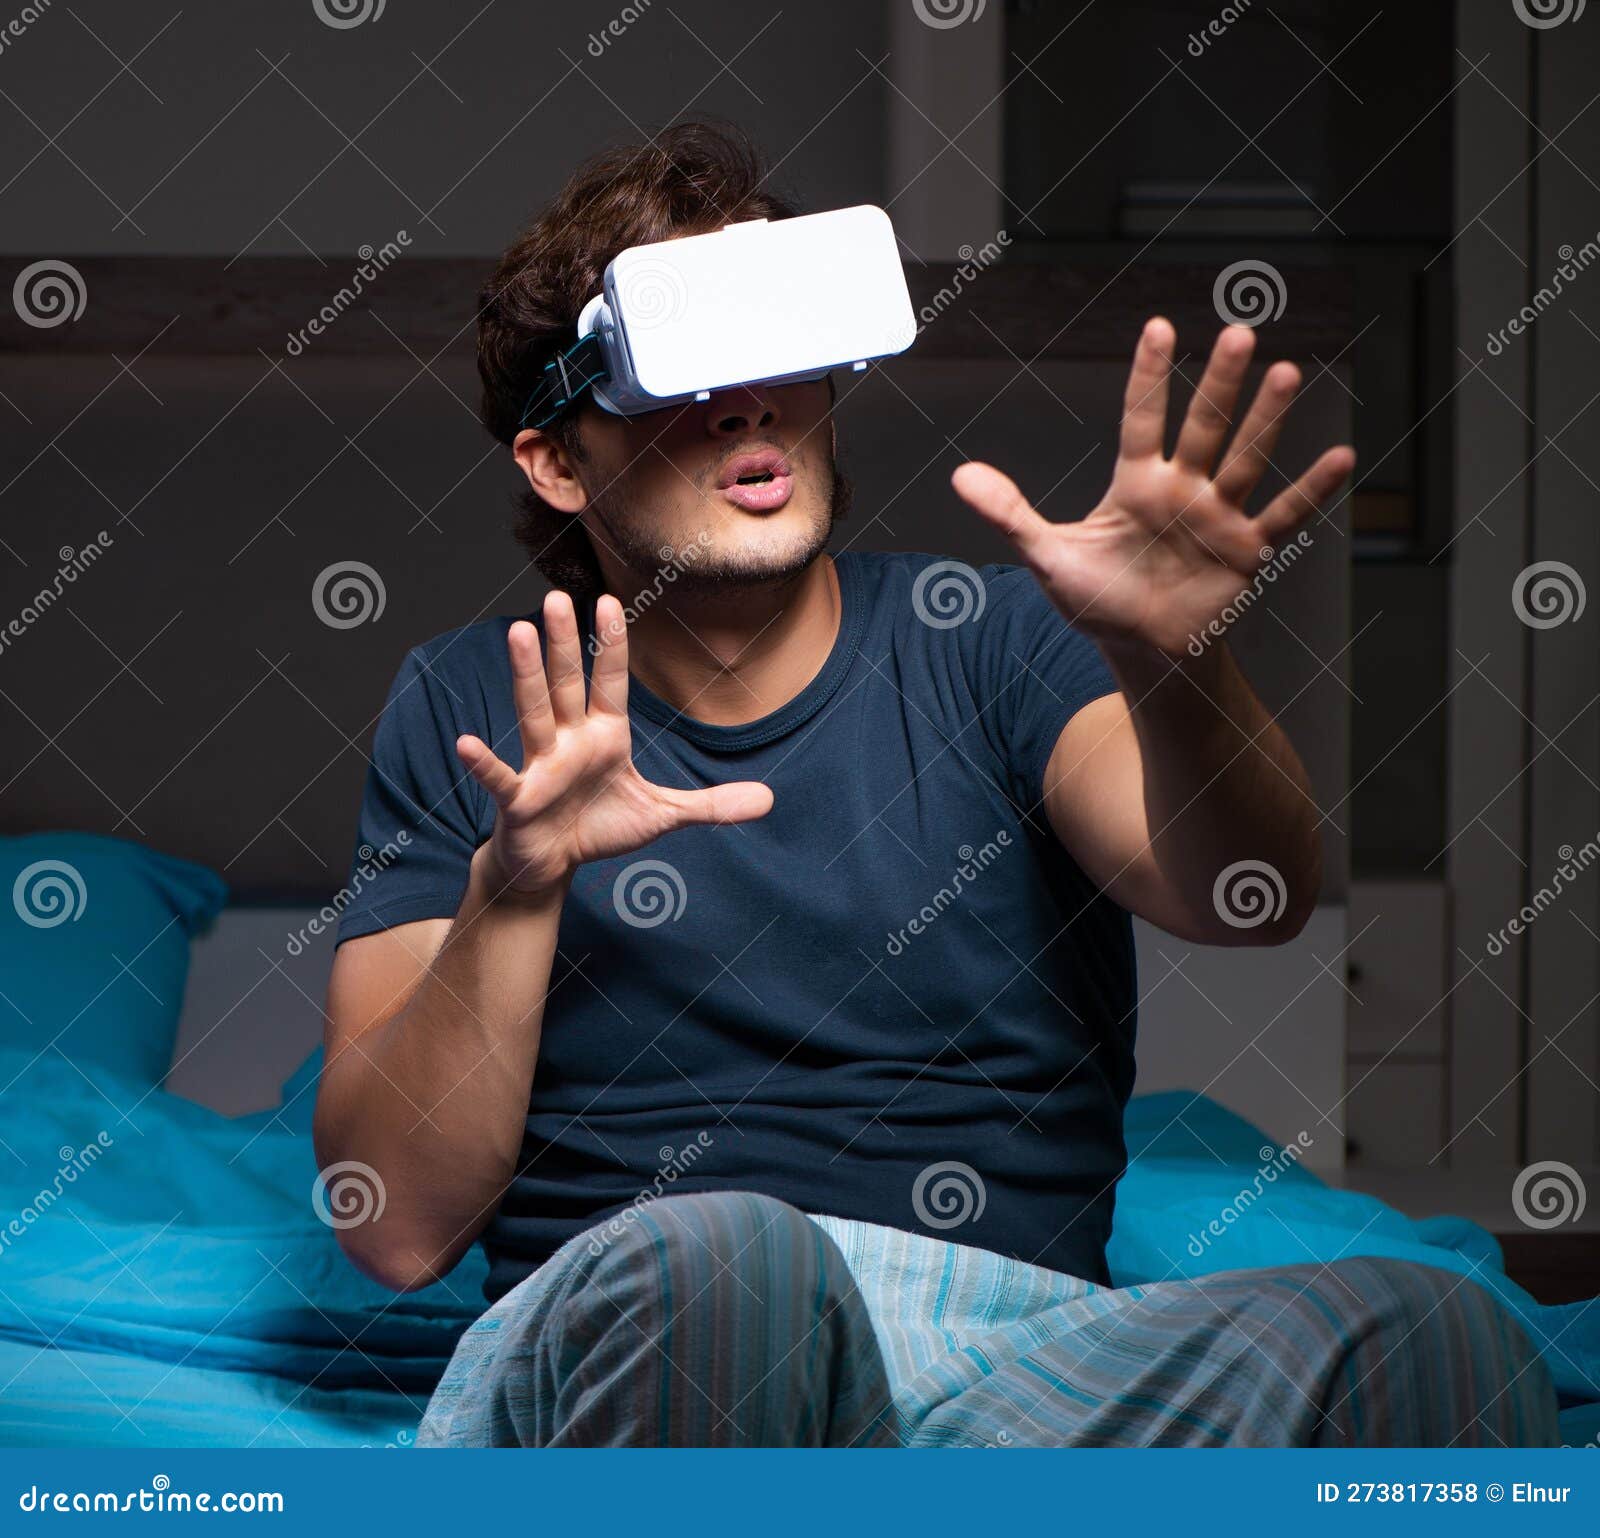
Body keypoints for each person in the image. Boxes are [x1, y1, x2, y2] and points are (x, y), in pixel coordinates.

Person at [313, 121, 1556, 1448]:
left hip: (1021, 1362)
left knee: (1435, 1333)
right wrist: (515, 886)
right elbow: (391, 1226)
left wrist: (1173, 658)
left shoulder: (995, 639)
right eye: (683, 352)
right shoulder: (474, 706)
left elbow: (1243, 898)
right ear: (558, 457)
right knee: (734, 1260)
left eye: (773, 337)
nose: (745, 399)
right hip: (658, 1327)